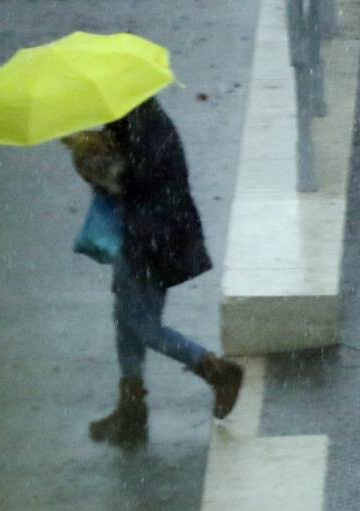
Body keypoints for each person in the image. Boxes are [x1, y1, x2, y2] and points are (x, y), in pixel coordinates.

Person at [63, 97, 243, 446]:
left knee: (142, 324)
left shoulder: (141, 131)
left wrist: (86, 156)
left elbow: (123, 179)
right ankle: (131, 408)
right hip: (157, 235)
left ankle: (215, 369)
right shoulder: (142, 121)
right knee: (126, 317)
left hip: (147, 240)